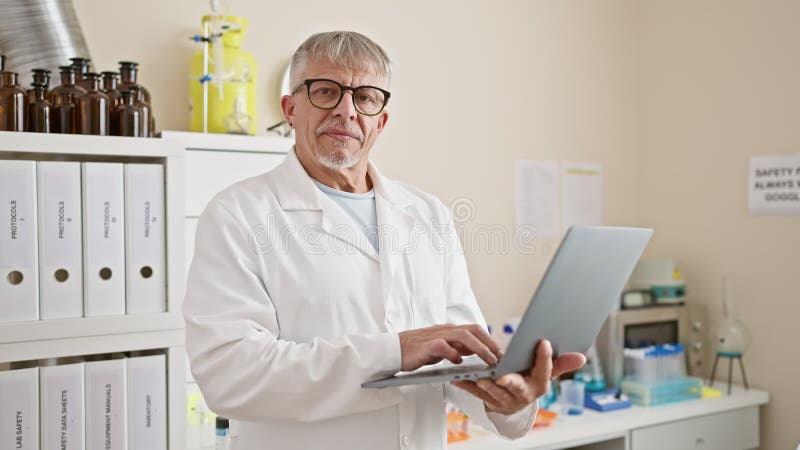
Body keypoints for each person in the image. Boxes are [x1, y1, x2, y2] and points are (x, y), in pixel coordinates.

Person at [183, 31, 586, 450]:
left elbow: (464, 356)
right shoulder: (237, 215)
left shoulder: (428, 214)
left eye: (366, 97)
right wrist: (394, 352)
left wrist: (508, 399)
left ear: (381, 121)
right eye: (325, 91)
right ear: (291, 108)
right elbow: (230, 377)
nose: (346, 110)